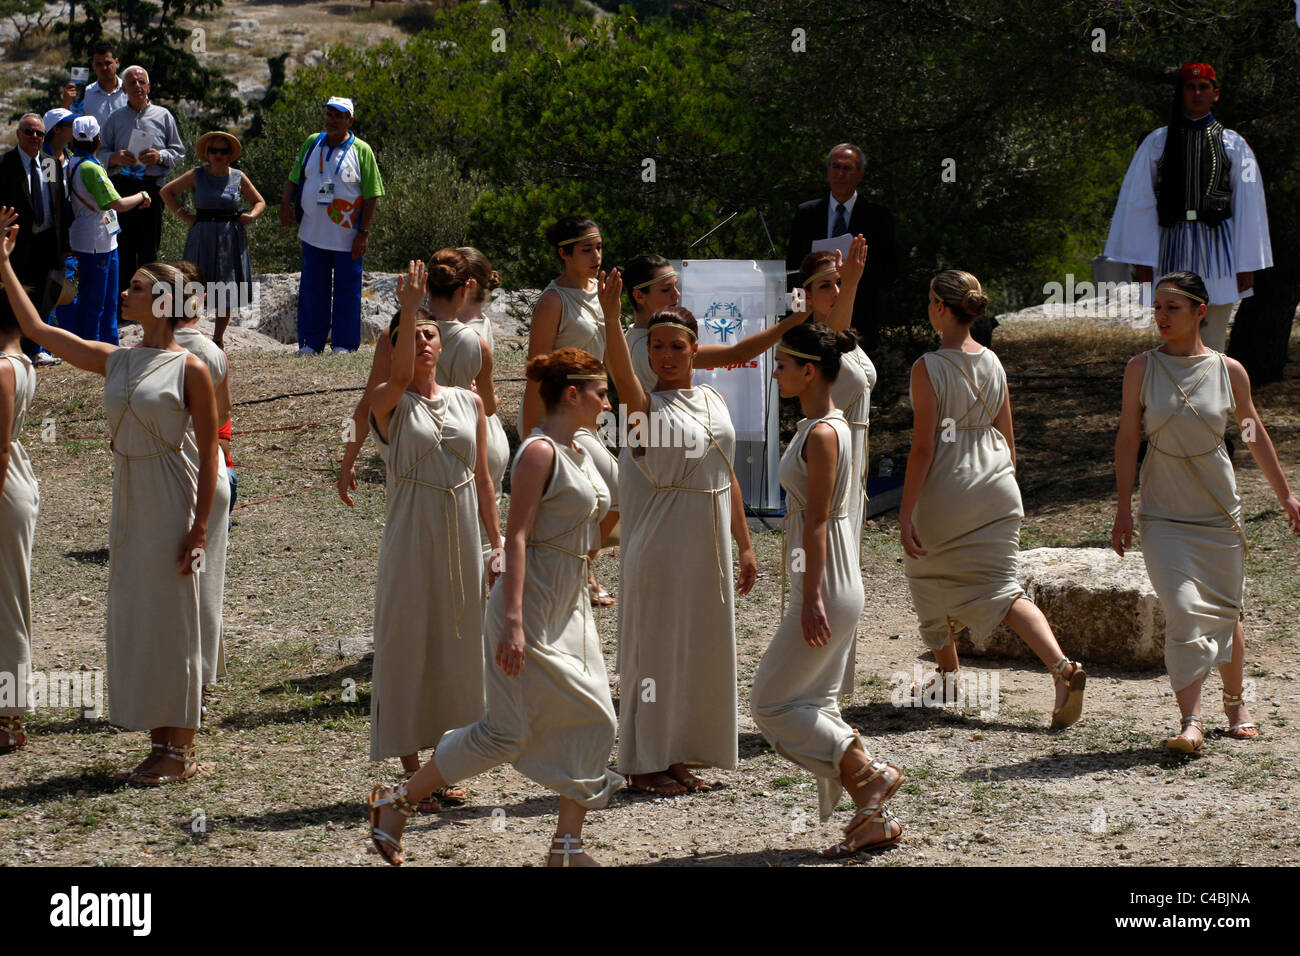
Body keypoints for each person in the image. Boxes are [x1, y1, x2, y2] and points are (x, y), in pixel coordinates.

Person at [367, 346, 623, 867]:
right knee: (503, 733)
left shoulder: (582, 450)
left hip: (571, 605)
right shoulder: (539, 452)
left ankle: (566, 848)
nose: (607, 403)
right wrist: (510, 621)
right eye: (600, 393)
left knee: (596, 718)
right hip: (527, 606)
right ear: (571, 394)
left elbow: (601, 524)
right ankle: (396, 802)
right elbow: (518, 537)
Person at [0, 221, 218, 785]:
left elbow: (212, 450)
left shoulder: (191, 367)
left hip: (173, 493)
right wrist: (2, 264)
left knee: (176, 616)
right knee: (140, 614)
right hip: (130, 497)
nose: (125, 294)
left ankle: (179, 750)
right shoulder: (116, 359)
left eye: (139, 289)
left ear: (165, 302)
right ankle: (156, 739)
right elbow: (36, 329)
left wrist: (197, 531)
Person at [1112, 271, 1299, 753]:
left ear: (1201, 312)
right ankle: (1190, 721)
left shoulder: (1229, 370)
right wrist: (1122, 509)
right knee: (1181, 608)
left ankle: (1236, 703)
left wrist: (1286, 495)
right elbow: (1129, 439)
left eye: (1172, 308)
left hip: (1219, 509)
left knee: (1223, 607)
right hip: (1163, 510)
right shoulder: (1141, 367)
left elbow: (1253, 432)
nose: (1161, 317)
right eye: (1156, 307)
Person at [899, 270, 1086, 727]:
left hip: (949, 486)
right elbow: (1008, 436)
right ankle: (1061, 668)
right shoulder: (994, 362)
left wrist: (905, 512)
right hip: (998, 485)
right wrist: (1006, 484)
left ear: (941, 308)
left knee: (926, 576)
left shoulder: (928, 366)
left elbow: (924, 447)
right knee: (1004, 589)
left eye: (930, 300)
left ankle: (947, 675)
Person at [601, 271, 759, 796]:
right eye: (656, 347)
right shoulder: (643, 409)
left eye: (676, 346)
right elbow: (624, 378)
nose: (664, 356)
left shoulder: (713, 400)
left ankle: (679, 754)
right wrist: (609, 313)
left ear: (694, 349)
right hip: (661, 549)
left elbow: (725, 472)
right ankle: (642, 762)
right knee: (656, 656)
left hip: (707, 545)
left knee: (697, 653)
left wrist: (746, 544)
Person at [751, 321, 905, 858]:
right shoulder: (824, 425)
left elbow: (816, 520)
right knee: (817, 701)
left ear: (809, 370)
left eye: (783, 365)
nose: (776, 373)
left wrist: (811, 595)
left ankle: (870, 771)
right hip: (831, 577)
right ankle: (873, 819)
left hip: (828, 581)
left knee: (769, 704)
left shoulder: (821, 433)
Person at [614, 253, 804, 676]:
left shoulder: (670, 338)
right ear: (639, 297)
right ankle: (650, 669)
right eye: (666, 288)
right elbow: (628, 383)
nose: (677, 292)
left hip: (687, 449)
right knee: (657, 568)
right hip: (653, 458)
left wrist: (790, 324)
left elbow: (734, 352)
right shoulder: (635, 345)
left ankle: (686, 669)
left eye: (675, 286)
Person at [367, 259, 502, 801]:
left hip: (462, 530)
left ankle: (445, 764)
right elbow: (398, 377)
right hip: (410, 533)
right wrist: (403, 308)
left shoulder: (468, 402)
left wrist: (497, 543)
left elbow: (486, 481)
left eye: (429, 334)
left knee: (458, 641)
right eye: (411, 337)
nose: (423, 342)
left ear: (444, 345)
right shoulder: (387, 401)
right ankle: (409, 762)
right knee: (408, 641)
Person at [1103, 62, 1272, 352]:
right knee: (1174, 332)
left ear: (1215, 94)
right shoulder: (1157, 142)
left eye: (1203, 87)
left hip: (1219, 248)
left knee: (1214, 333)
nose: (1196, 93)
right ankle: (1175, 396)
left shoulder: (1235, 144)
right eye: (1190, 87)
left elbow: (1249, 206)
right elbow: (1139, 204)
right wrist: (1143, 259)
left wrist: (1247, 263)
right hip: (1172, 246)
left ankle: (1213, 396)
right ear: (1180, 92)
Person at [522, 216, 620, 606]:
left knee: (605, 496)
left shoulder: (602, 292)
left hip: (593, 413)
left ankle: (580, 568)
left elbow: (612, 357)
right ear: (563, 253)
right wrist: (534, 432)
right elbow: (536, 371)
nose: (597, 256)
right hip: (556, 416)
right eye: (586, 249)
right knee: (616, 489)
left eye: (599, 247)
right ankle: (565, 573)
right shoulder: (552, 301)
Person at [795, 240, 877, 696]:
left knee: (849, 572)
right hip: (828, 456)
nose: (834, 291)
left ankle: (834, 687)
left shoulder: (844, 336)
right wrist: (856, 281)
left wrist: (852, 284)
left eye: (839, 284)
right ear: (805, 294)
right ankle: (813, 684)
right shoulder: (812, 341)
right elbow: (833, 336)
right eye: (824, 285)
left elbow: (843, 330)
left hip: (855, 457)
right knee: (828, 571)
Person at [278, 97, 384, 355]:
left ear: (350, 120)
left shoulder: (361, 150)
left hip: (347, 236)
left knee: (348, 291)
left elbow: (372, 194)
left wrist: (364, 233)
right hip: (313, 233)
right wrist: (284, 205)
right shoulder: (312, 142)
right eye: (329, 114)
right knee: (313, 288)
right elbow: (294, 178)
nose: (332, 120)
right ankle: (310, 344)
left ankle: (343, 345)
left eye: (339, 116)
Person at [172, 262, 233, 702]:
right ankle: (204, 672)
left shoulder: (158, 351)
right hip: (210, 467)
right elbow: (224, 416)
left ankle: (185, 674)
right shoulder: (213, 351)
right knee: (205, 577)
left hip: (184, 473)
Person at [786, 143, 897, 353]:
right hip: (812, 317)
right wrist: (797, 312)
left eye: (847, 168)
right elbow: (794, 267)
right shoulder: (806, 213)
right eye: (835, 167)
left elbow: (888, 271)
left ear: (860, 174)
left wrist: (851, 273)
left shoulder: (878, 217)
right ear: (828, 171)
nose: (840, 174)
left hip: (859, 317)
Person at [160, 132, 264, 349]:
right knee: (192, 284)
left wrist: (251, 216)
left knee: (225, 288)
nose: (217, 155)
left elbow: (259, 201)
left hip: (230, 237)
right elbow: (166, 192)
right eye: (213, 150)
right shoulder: (196, 174)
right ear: (206, 154)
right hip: (202, 235)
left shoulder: (238, 176)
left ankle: (218, 339)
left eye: (222, 151)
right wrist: (185, 216)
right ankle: (187, 335)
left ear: (230, 155)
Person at [99, 66, 184, 292]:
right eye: (132, 82)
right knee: (122, 247)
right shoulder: (114, 118)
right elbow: (99, 153)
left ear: (148, 86)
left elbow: (179, 152)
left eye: (141, 81)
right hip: (121, 189)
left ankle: (149, 304)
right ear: (124, 88)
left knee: (149, 249)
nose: (137, 86)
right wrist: (114, 158)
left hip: (152, 187)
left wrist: (160, 156)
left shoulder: (164, 116)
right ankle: (123, 308)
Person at [0, 260, 39, 755]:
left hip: (5, 486)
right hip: (18, 483)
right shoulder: (21, 358)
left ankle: (9, 717)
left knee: (5, 604)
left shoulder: (2, 369)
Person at [67, 116, 151, 344]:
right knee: (100, 299)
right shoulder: (91, 169)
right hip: (98, 240)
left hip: (85, 236)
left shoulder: (71, 163)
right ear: (97, 138)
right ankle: (97, 344)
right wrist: (142, 195)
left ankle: (98, 342)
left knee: (90, 295)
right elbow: (119, 205)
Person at [0, 114, 68, 365]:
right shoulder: (6, 164)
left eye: (40, 133)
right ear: (18, 134)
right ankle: (10, 348)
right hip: (17, 243)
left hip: (47, 242)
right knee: (12, 296)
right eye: (29, 132)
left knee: (43, 296)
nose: (35, 138)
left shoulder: (51, 164)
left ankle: (34, 349)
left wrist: (64, 242)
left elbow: (58, 203)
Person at [456, 246, 510, 532]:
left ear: (468, 285)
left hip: (470, 436)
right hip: (490, 434)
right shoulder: (483, 322)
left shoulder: (460, 332)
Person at [67, 41, 128, 127]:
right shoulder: (85, 95)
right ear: (93, 65)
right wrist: (66, 103)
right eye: (99, 64)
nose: (104, 68)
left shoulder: (131, 91)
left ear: (116, 62)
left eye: (108, 63)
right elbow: (72, 125)